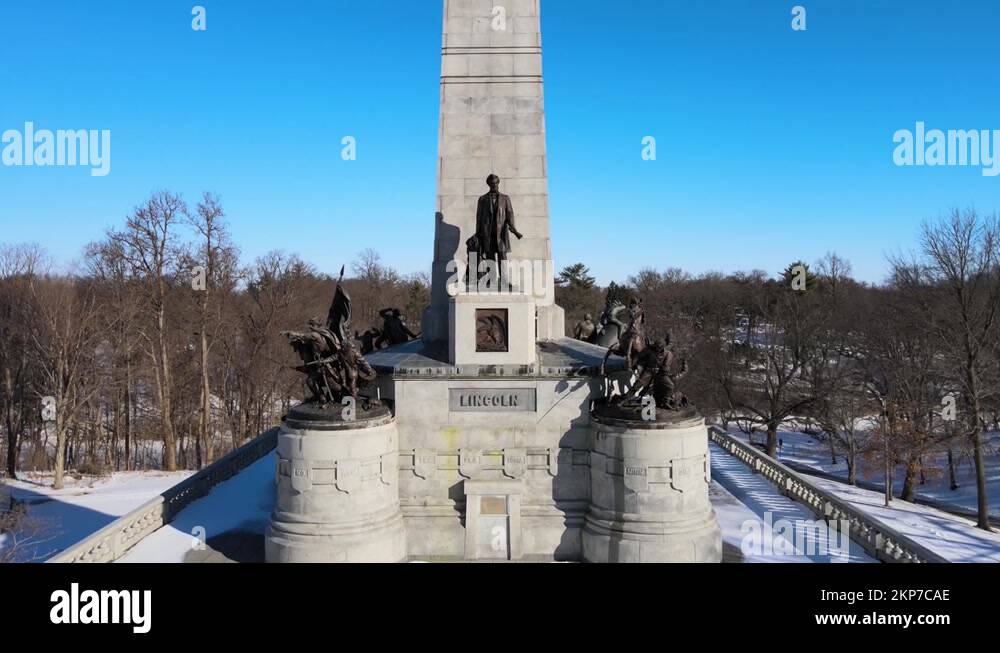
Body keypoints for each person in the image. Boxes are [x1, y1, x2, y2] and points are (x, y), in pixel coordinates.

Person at [473, 174, 523, 287]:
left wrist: (513, 228)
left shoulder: (505, 198)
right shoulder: (482, 199)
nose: (494, 185)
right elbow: (479, 217)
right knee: (490, 256)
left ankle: (504, 281)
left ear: (498, 183)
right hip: (487, 232)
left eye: (496, 183)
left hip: (501, 233)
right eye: (492, 183)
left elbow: (510, 213)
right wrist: (478, 233)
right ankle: (492, 280)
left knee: (502, 256)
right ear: (489, 184)